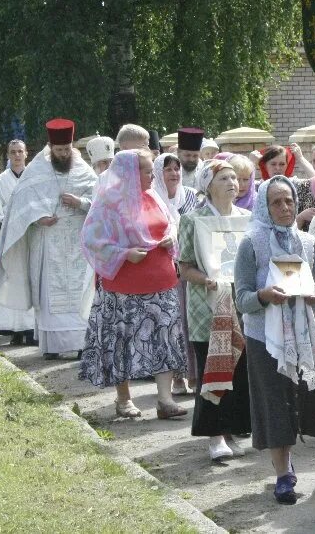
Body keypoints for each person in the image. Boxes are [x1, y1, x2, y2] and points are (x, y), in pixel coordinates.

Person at [79, 150, 188, 420]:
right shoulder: (109, 201)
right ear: (129, 172)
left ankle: (164, 400)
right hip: (123, 287)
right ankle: (124, 398)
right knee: (122, 341)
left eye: (152, 171)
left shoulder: (153, 197)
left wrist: (169, 237)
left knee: (165, 337)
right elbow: (91, 239)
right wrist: (124, 253)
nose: (153, 176)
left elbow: (171, 224)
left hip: (161, 282)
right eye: (147, 171)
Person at [234, 176, 315, 505]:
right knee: (274, 402)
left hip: (300, 336)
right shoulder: (252, 243)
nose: (285, 208)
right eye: (276, 202)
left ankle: (290, 457)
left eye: (289, 201)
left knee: (297, 397)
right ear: (264, 206)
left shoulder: (306, 242)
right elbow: (241, 297)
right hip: (264, 337)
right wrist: (264, 295)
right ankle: (283, 473)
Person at [0, 119, 97, 359]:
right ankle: (51, 347)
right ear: (51, 147)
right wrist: (38, 218)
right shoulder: (37, 170)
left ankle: (80, 344)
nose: (63, 154)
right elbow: (20, 204)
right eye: (59, 150)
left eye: (66, 149)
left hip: (77, 246)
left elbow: (99, 202)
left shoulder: (84, 171)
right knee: (51, 297)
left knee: (77, 295)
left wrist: (80, 203)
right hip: (48, 245)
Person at [178, 160, 252, 460]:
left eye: (235, 177)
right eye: (224, 178)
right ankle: (215, 436)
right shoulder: (193, 220)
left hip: (240, 304)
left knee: (239, 368)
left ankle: (233, 428)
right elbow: (184, 267)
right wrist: (207, 280)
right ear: (208, 184)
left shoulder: (247, 218)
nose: (233, 182)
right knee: (213, 370)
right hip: (206, 306)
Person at [151, 152, 200, 394]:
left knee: (189, 322)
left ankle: (192, 374)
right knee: (172, 324)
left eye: (177, 169)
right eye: (168, 169)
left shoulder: (190, 196)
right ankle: (176, 377)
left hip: (187, 269)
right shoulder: (151, 199)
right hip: (164, 271)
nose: (174, 174)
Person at [0, 139, 35, 344]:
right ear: (8, 155)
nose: (17, 155)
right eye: (13, 152)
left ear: (26, 153)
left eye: (20, 151)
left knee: (32, 281)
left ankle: (31, 328)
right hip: (10, 241)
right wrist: (9, 223)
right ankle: (15, 330)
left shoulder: (36, 178)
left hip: (31, 239)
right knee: (12, 282)